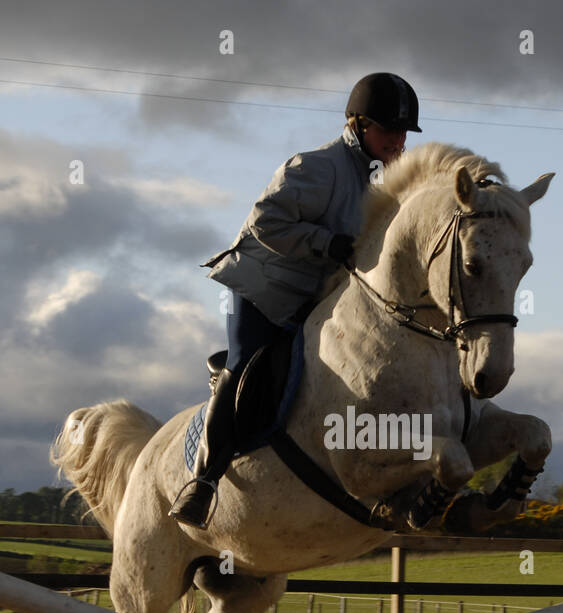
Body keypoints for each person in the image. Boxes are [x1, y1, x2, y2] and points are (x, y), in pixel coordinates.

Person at [170, 72, 422, 529]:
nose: (397, 141)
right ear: (359, 124)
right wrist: (326, 243)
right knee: (247, 363)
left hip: (317, 296)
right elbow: (266, 223)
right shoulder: (316, 166)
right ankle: (203, 480)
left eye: (402, 133)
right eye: (389, 130)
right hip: (265, 288)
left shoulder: (385, 182)